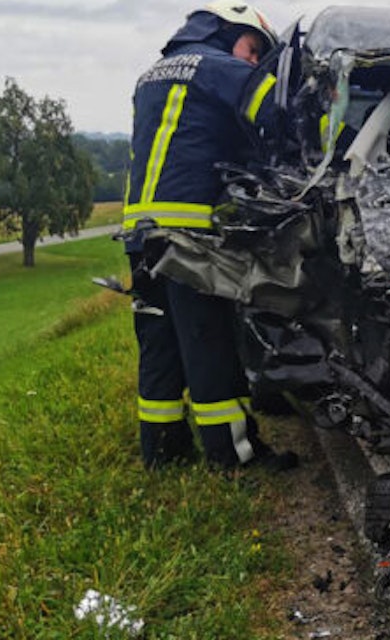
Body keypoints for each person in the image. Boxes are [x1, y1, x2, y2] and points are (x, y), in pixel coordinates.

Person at [123, 0, 296, 470]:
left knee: (160, 344)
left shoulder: (152, 74)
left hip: (140, 237)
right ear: (225, 30)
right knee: (210, 345)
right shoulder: (219, 67)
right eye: (252, 48)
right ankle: (234, 456)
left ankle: (162, 453)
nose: (252, 60)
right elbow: (281, 113)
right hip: (188, 238)